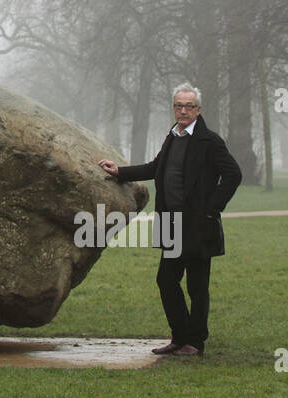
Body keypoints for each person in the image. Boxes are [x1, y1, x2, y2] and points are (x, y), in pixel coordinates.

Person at [97, 82, 241, 356]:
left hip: (198, 225)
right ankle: (179, 337)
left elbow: (233, 174)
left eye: (189, 106)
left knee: (197, 287)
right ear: (174, 108)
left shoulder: (209, 141)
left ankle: (195, 342)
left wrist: (213, 208)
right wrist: (120, 172)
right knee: (166, 280)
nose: (183, 110)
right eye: (178, 105)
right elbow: (155, 168)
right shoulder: (172, 137)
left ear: (198, 110)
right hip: (171, 224)